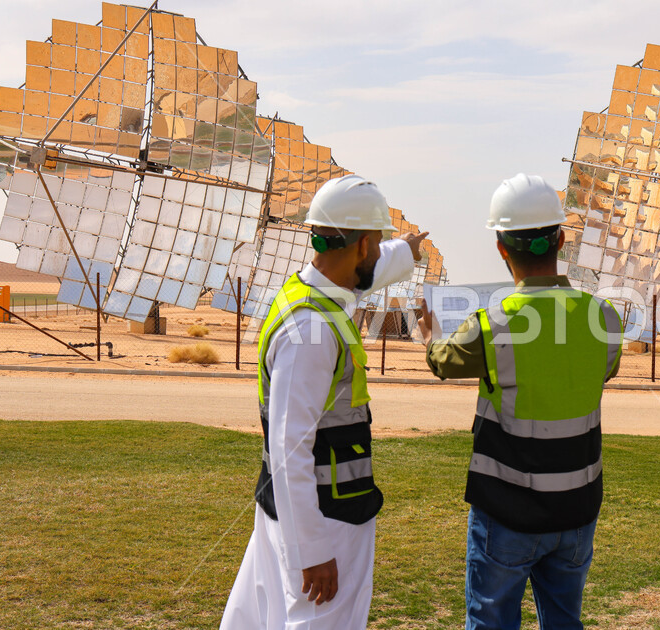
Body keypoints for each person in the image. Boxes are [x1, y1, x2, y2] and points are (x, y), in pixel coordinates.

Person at [221, 175, 429, 630]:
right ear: (361, 245)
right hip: (324, 518)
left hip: (291, 510)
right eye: (377, 244)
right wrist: (310, 551)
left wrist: (407, 250)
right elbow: (289, 446)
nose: (378, 252)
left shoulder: (314, 292)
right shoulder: (311, 331)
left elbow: (369, 272)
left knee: (256, 618)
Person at [418, 173, 622, 629]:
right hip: (577, 510)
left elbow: (444, 362)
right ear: (561, 240)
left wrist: (428, 335)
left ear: (501, 247)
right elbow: (603, 368)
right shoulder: (604, 319)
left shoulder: (491, 325)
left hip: (507, 514)